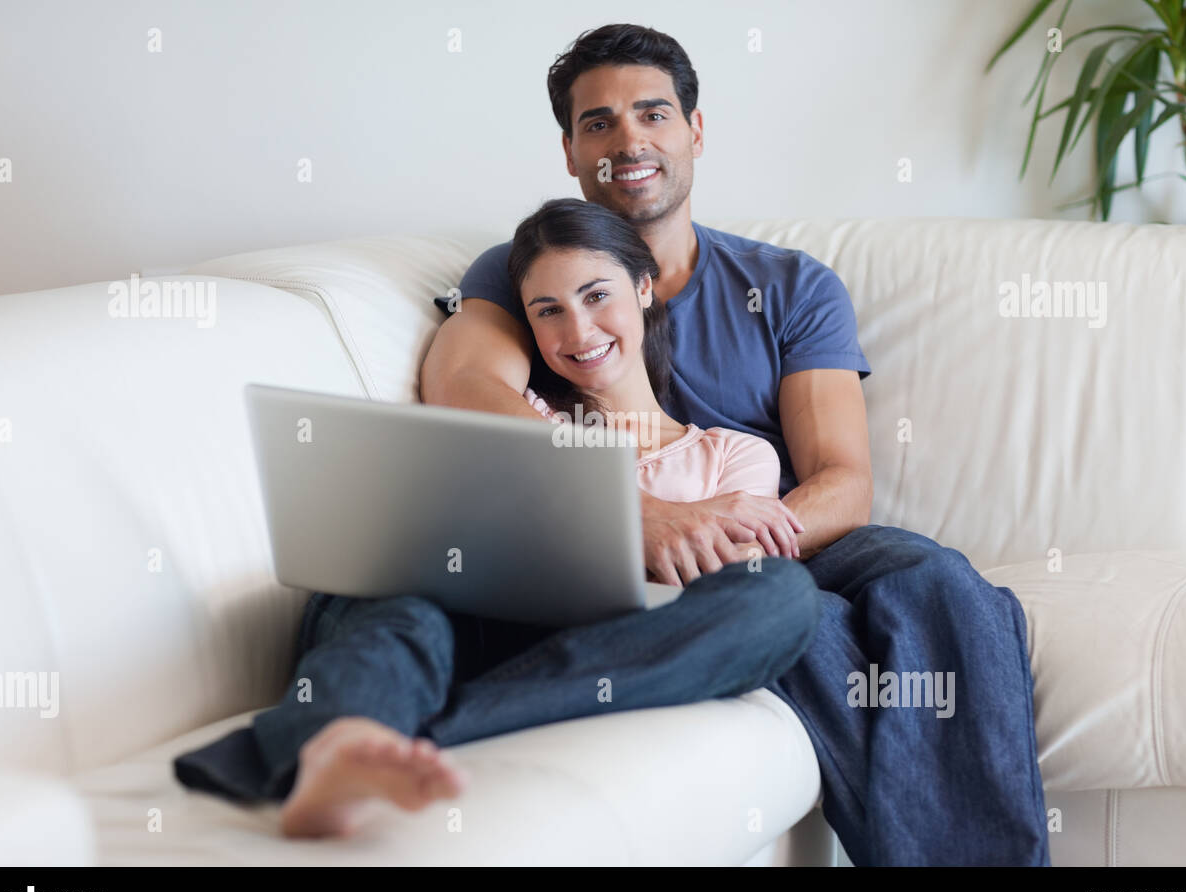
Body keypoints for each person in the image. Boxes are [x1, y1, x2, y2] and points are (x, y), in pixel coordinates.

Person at [421, 23, 1050, 865]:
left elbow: (841, 481)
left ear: (696, 131)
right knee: (815, 630)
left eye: (652, 113)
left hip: (781, 531)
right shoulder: (523, 270)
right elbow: (466, 390)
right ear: (570, 151)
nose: (629, 140)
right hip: (615, 531)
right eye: (598, 123)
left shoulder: (792, 286)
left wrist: (730, 544)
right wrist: (630, 516)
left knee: (943, 581)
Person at [172, 198, 824, 839]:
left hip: (606, 644)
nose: (578, 331)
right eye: (549, 311)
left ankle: (393, 734)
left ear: (645, 288)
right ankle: (349, 740)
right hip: (462, 622)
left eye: (597, 296)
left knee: (783, 600)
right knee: (392, 602)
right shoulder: (518, 419)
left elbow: (722, 581)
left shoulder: (733, 455)